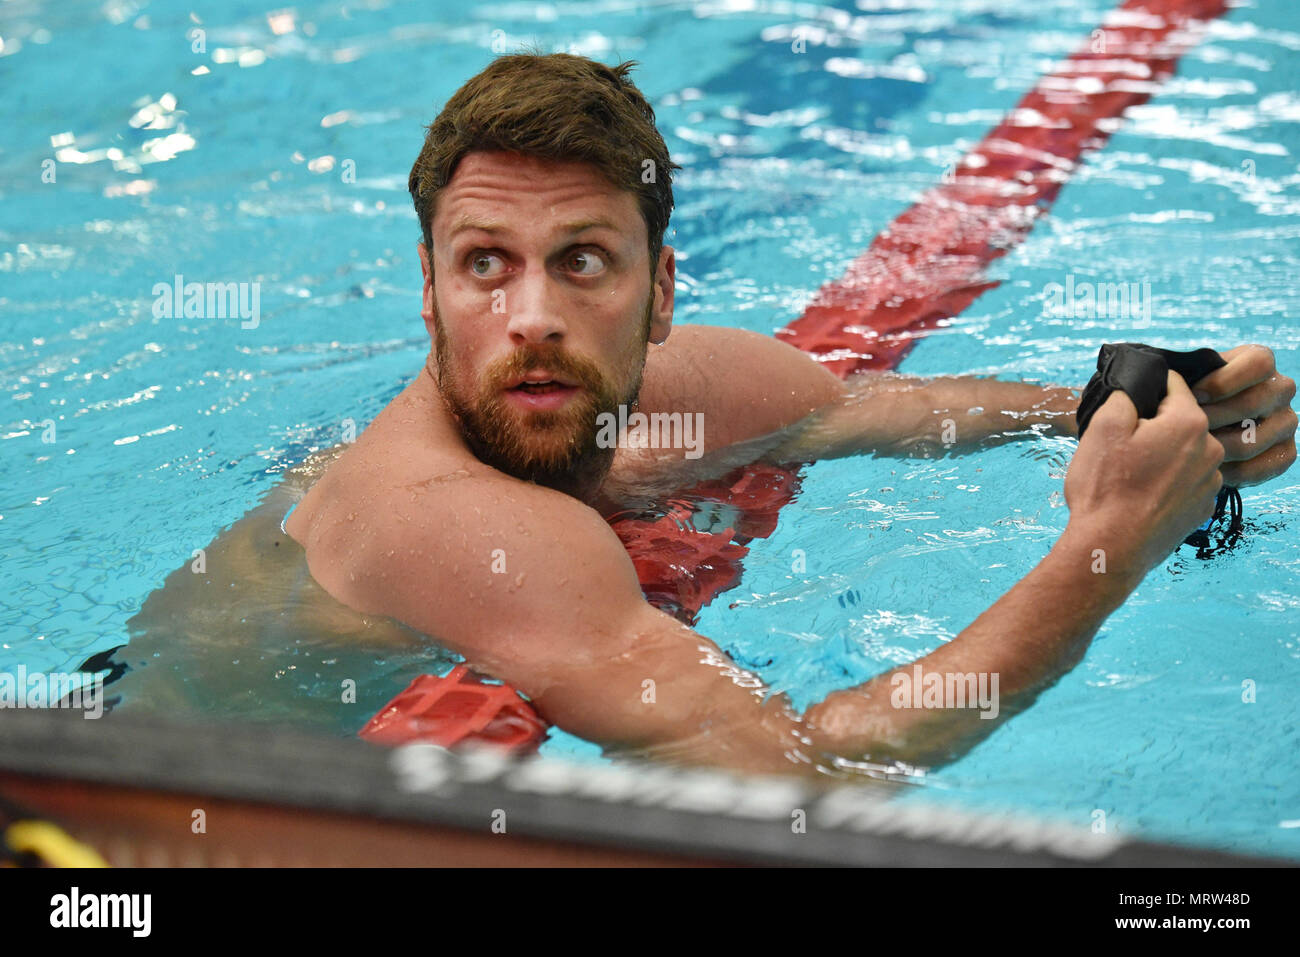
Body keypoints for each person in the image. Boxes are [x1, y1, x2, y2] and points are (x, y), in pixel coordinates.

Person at [129, 53, 1298, 778]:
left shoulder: (690, 390)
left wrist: (1124, 414)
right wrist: (1109, 544)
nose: (532, 315)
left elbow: (888, 409)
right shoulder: (456, 528)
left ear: (662, 294)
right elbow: (805, 781)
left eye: (582, 261)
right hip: (145, 795)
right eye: (485, 264)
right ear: (428, 292)